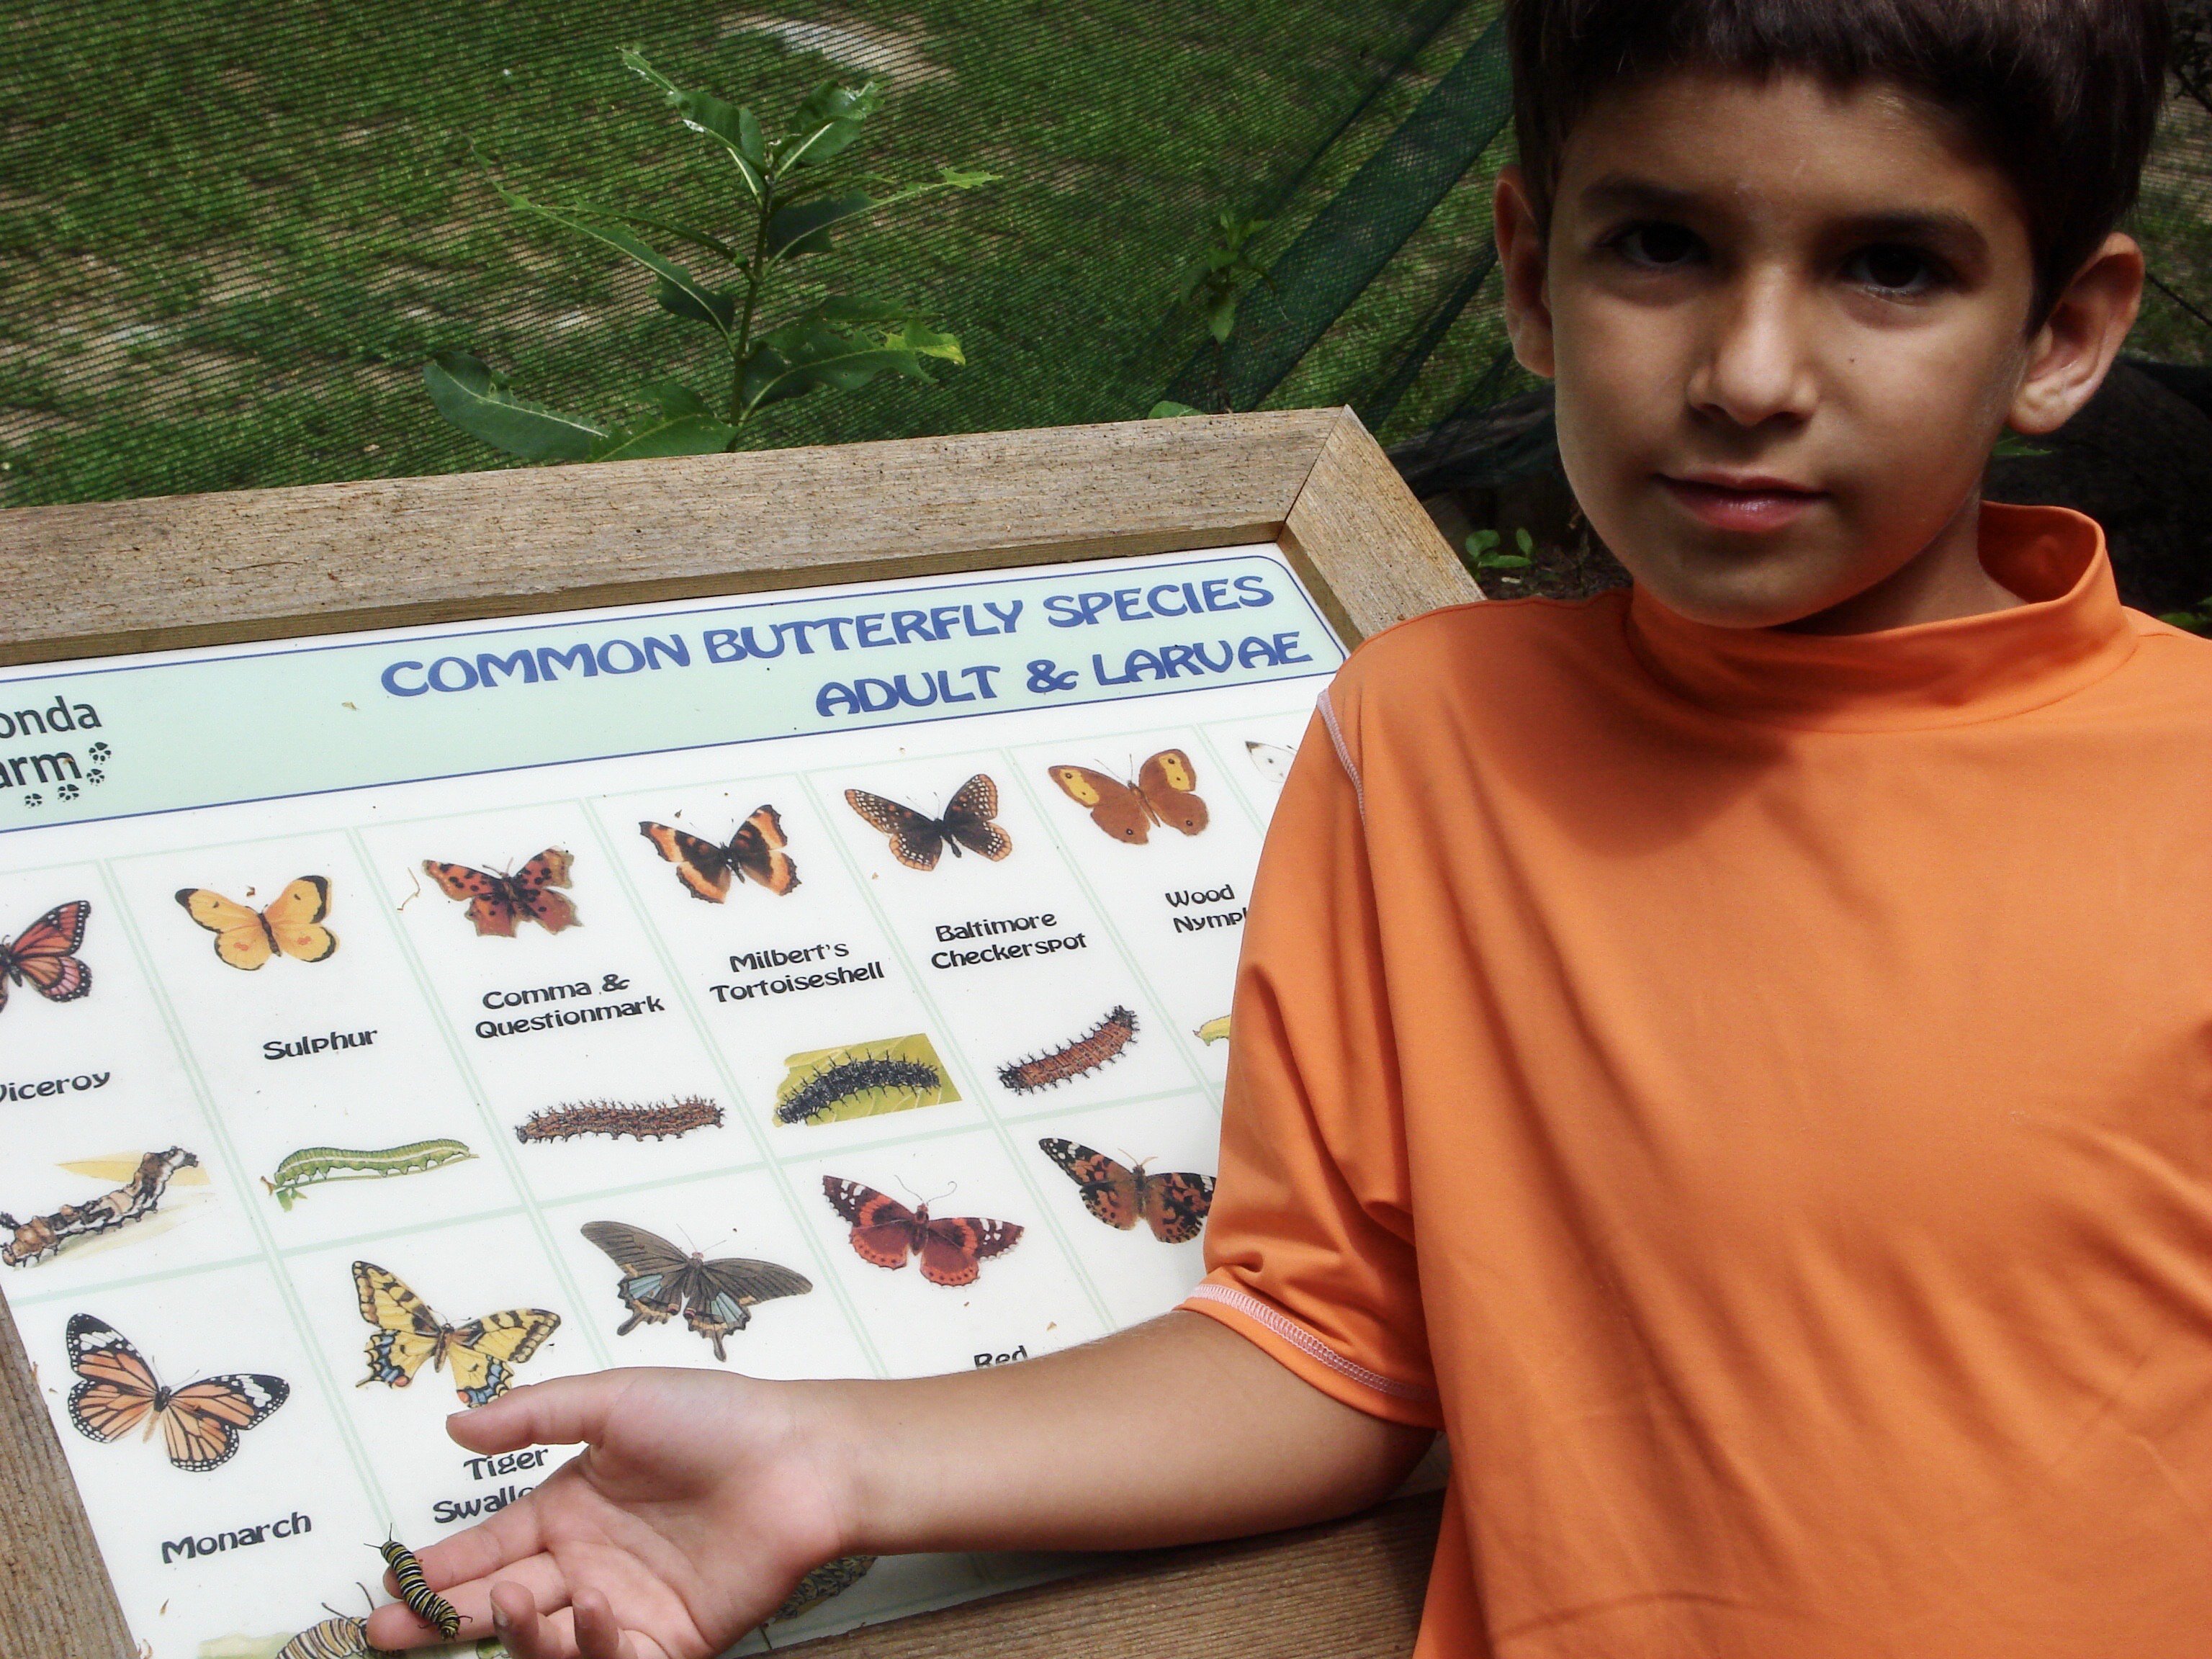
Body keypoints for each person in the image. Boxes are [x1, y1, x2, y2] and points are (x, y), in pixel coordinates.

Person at [367, 3, 2203, 1654]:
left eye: (1891, 268)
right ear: (1532, 276)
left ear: (2061, 333)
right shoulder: (1432, 738)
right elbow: (1333, 1343)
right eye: (1662, 244)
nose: (1748, 368)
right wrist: (821, 1462)